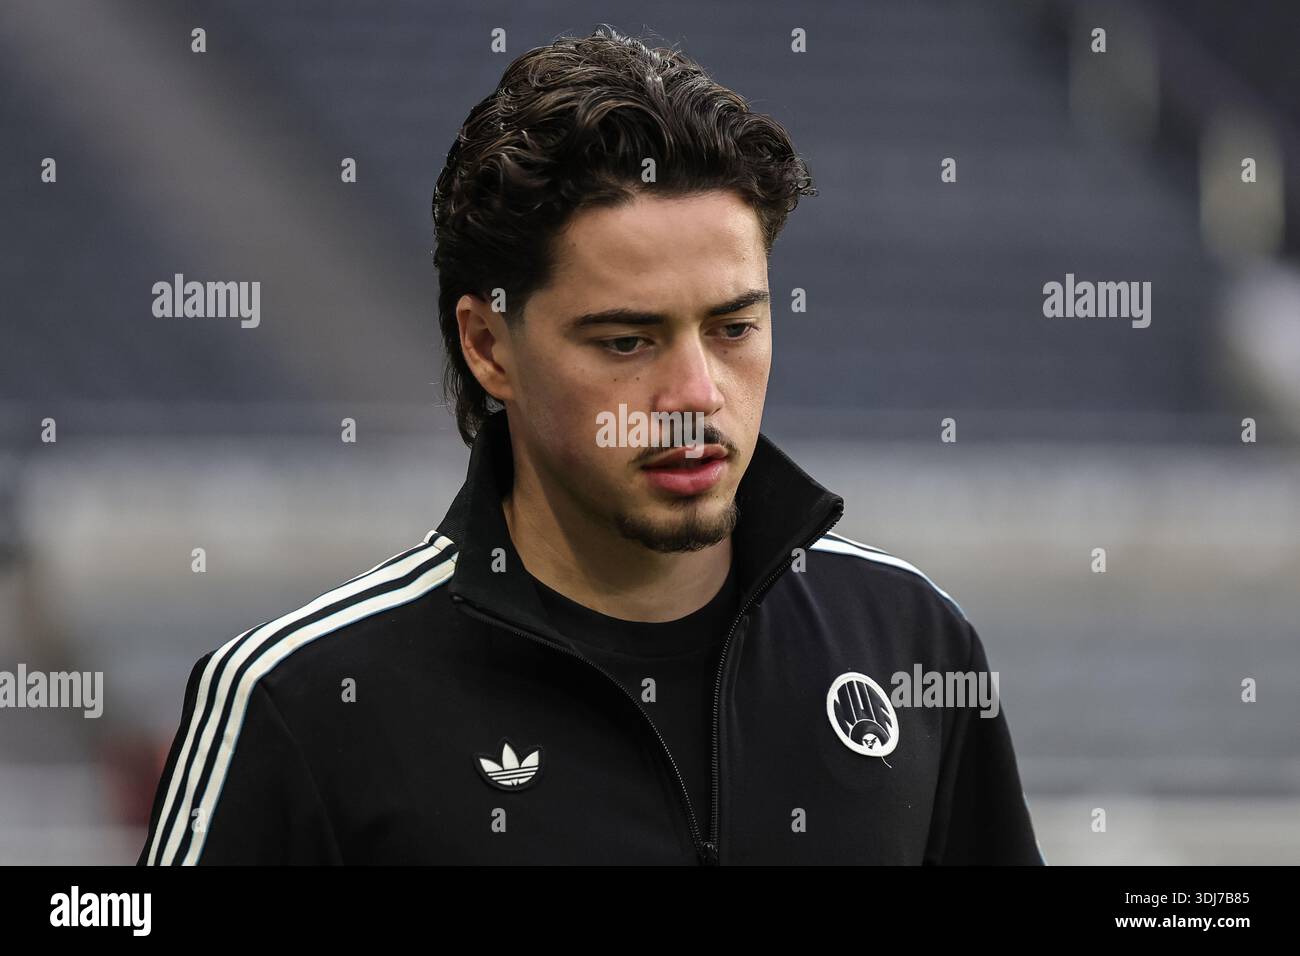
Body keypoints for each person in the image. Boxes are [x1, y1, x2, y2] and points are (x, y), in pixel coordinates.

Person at [138, 24, 1044, 865]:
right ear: (489, 346)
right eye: (626, 341)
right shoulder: (301, 701)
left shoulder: (910, 641)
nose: (695, 395)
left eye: (733, 328)